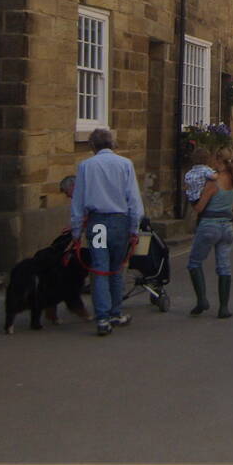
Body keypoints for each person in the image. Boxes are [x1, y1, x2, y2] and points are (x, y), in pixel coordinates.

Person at [69, 127, 144, 336]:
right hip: (120, 221)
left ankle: (102, 318)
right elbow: (134, 200)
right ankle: (115, 312)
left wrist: (76, 232)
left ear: (92, 146)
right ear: (111, 144)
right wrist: (134, 228)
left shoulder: (86, 166)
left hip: (99, 222)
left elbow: (78, 201)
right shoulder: (125, 164)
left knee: (100, 269)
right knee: (117, 267)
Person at [187, 145, 233, 319]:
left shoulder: (212, 182)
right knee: (224, 266)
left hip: (209, 224)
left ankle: (202, 300)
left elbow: (200, 207)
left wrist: (192, 201)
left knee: (194, 262)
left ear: (217, 160)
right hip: (227, 226)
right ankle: (224, 308)